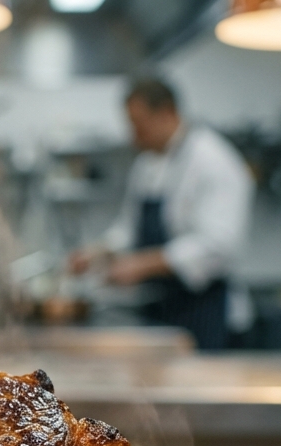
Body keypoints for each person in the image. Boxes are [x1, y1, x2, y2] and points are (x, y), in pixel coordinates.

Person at [71, 78, 254, 350]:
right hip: (161, 313)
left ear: (167, 113)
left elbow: (218, 246)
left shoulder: (215, 161)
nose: (134, 136)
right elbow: (128, 228)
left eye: (139, 125)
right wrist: (100, 252)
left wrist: (142, 265)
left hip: (207, 313)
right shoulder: (147, 164)